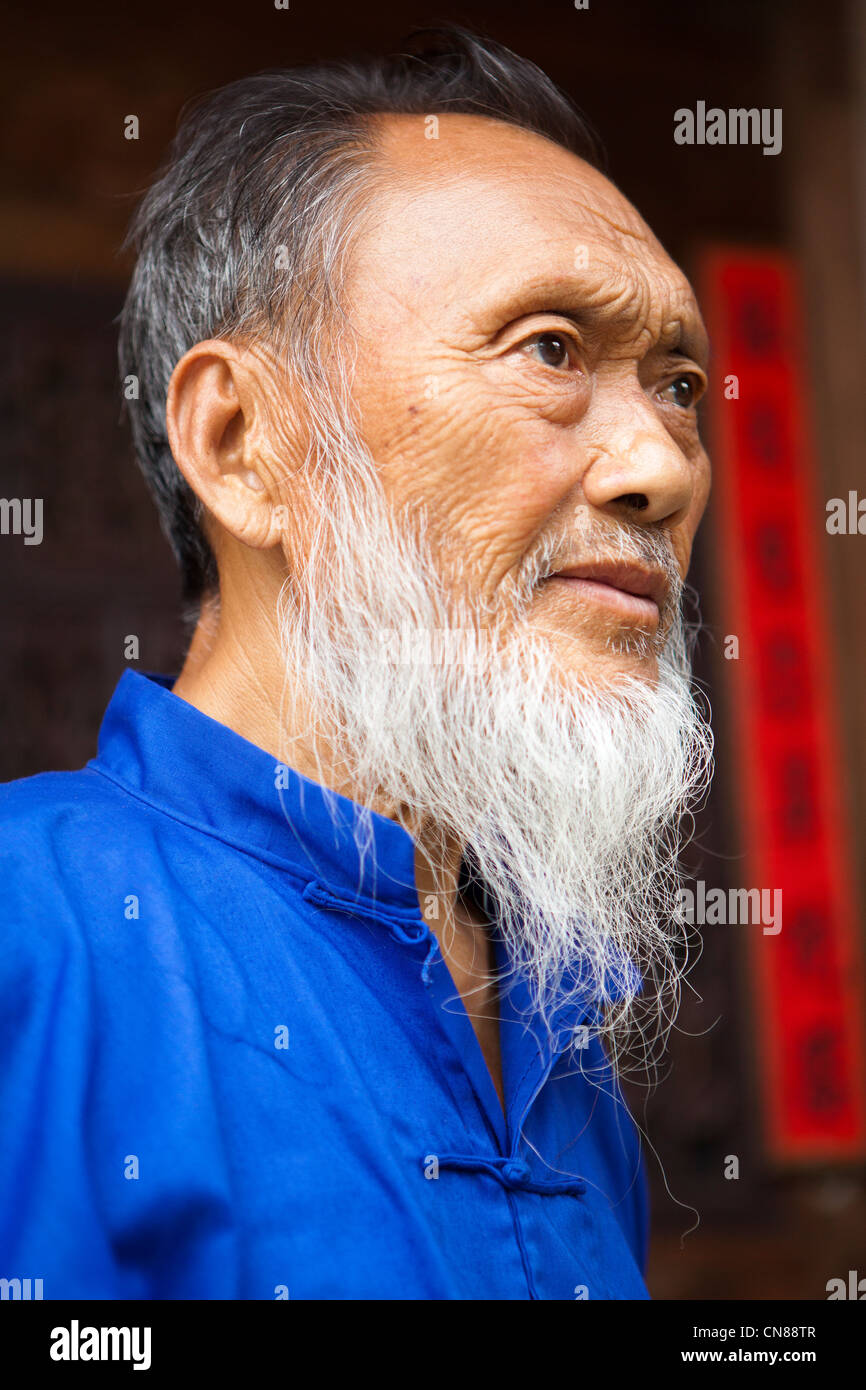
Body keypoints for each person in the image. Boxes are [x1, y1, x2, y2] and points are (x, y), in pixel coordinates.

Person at [0, 25, 713, 1299]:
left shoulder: (549, 1007)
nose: (659, 464)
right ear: (242, 443)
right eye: (548, 348)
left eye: (676, 383)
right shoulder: (33, 928)